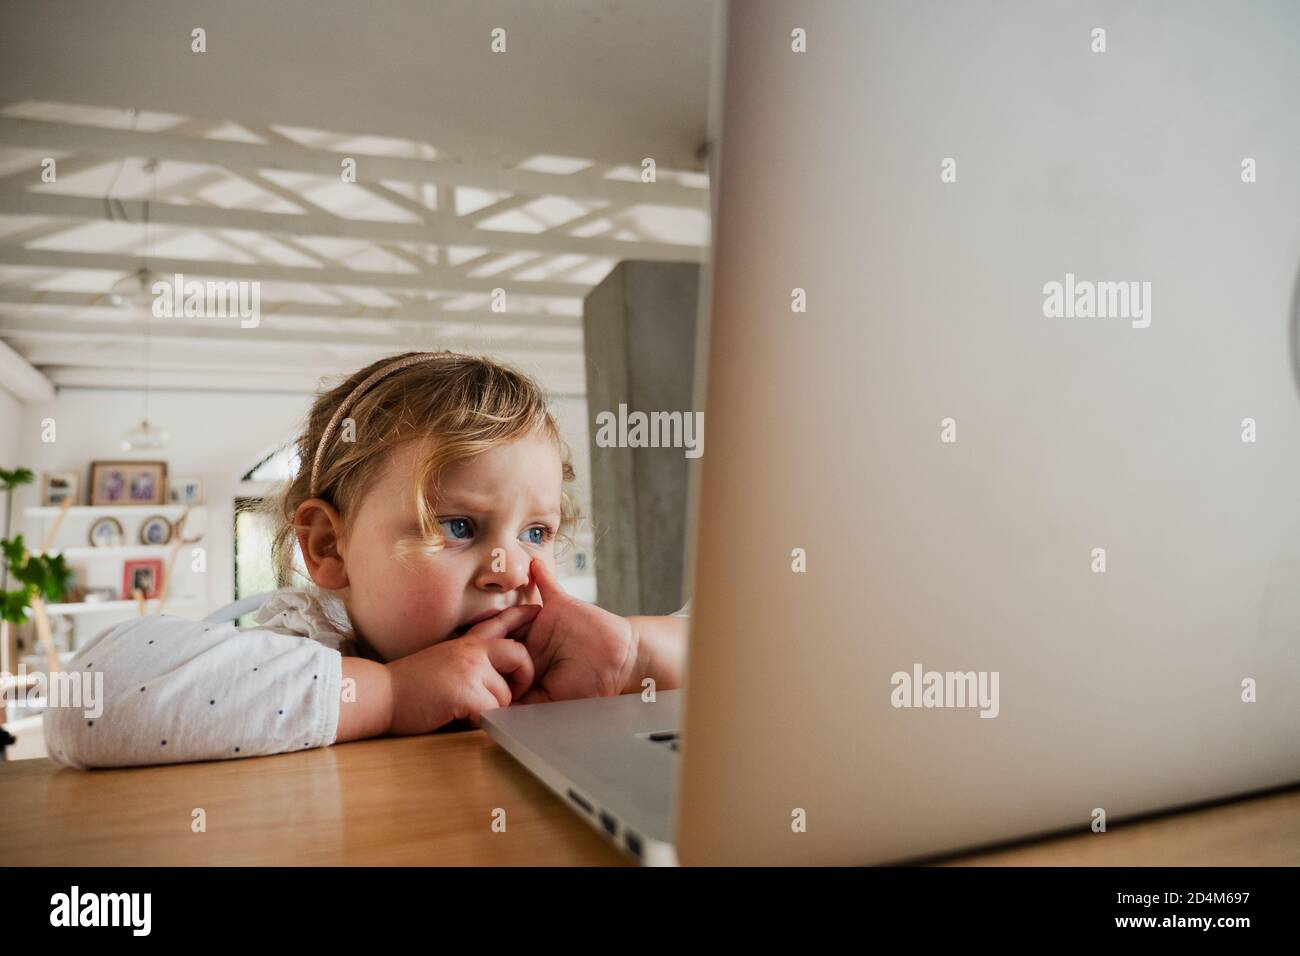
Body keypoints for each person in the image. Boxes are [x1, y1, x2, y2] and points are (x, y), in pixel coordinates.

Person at [44, 351, 690, 769]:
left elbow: (757, 654)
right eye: (459, 526)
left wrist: (632, 656)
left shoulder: (547, 651)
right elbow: (90, 703)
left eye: (536, 532)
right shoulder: (311, 647)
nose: (512, 571)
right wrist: (389, 693)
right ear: (329, 547)